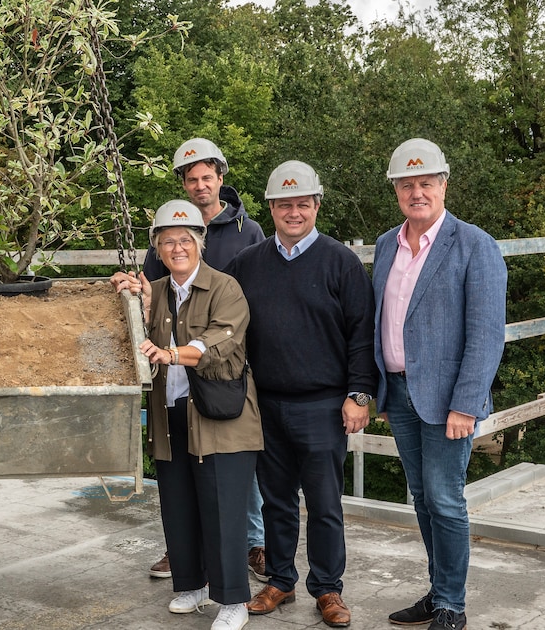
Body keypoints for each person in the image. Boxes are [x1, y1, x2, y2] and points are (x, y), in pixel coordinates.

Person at [227, 161, 377, 628]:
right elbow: (209, 305)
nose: (294, 212)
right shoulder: (247, 264)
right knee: (276, 501)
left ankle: (328, 589)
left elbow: (361, 334)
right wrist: (147, 292)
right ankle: (280, 580)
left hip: (323, 405)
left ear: (316, 206)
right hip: (265, 404)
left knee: (325, 504)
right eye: (284, 204)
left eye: (303, 204)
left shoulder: (341, 262)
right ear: (270, 207)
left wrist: (360, 393)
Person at [374, 139, 506, 630]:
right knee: (422, 498)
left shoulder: (475, 245)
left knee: (446, 499)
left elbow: (487, 333)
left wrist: (467, 405)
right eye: (406, 184)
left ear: (443, 184)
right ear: (396, 190)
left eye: (426, 182)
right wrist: (380, 389)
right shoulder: (387, 243)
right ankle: (438, 590)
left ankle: (452, 604)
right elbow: (381, 321)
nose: (416, 192)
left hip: (450, 401)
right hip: (400, 393)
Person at [113, 199, 261, 630]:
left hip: (222, 420)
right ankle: (191, 586)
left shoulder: (224, 287)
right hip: (170, 416)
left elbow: (221, 339)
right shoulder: (155, 291)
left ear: (201, 242)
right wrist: (128, 298)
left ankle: (233, 601)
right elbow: (132, 331)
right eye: (167, 242)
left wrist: (174, 352)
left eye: (185, 240)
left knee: (223, 511)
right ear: (157, 250)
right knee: (178, 506)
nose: (176, 248)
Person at [143, 138, 269, 584]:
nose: (200, 185)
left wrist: (182, 350)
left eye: (206, 177)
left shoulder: (247, 233)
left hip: (226, 362)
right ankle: (185, 555)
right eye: (191, 179)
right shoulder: (170, 230)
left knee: (230, 473)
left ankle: (250, 544)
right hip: (179, 379)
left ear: (220, 178)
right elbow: (150, 292)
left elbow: (242, 310)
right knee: (183, 482)